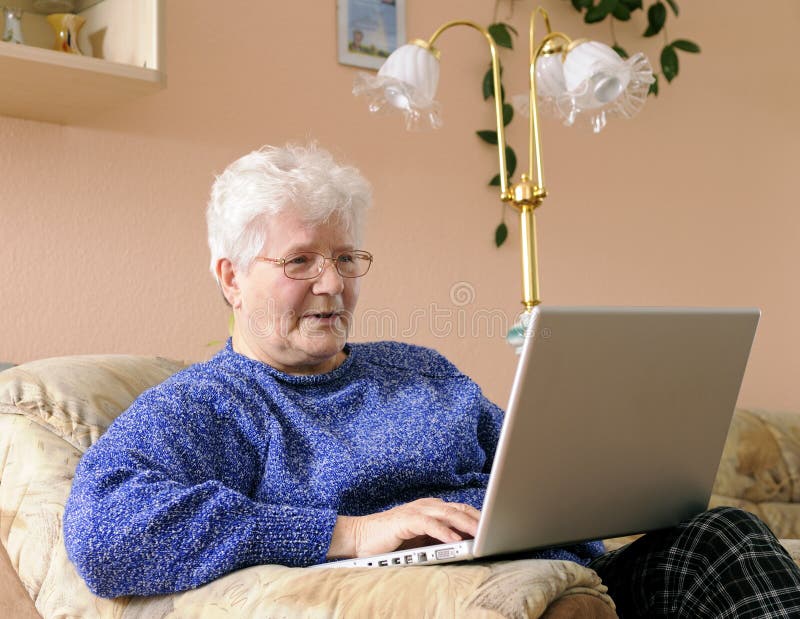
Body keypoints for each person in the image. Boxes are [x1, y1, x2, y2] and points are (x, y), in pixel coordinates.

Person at [64, 144, 800, 616]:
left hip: (576, 576)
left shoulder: (419, 369)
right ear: (230, 278)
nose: (332, 284)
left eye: (347, 258)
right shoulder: (204, 405)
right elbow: (104, 531)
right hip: (462, 600)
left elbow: (529, 467)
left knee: (724, 534)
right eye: (300, 262)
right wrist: (347, 531)